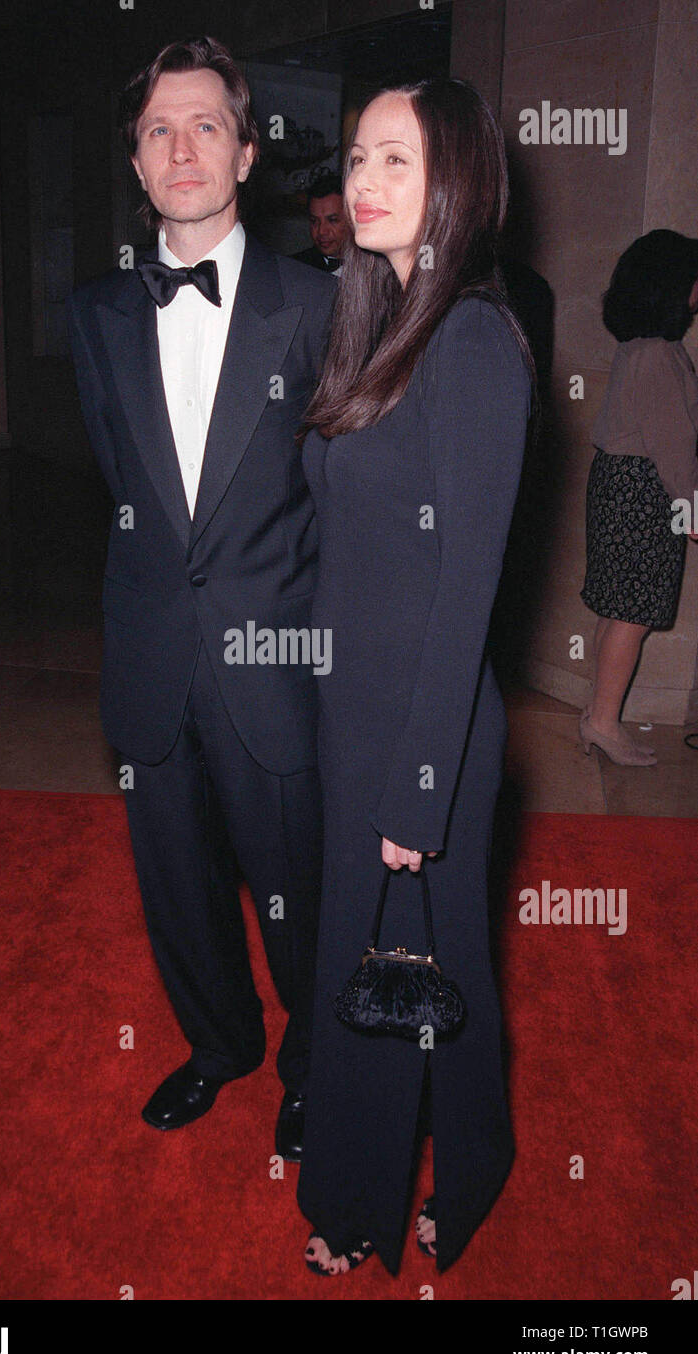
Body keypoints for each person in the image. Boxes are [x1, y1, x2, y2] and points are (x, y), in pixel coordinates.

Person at [66, 37, 336, 1159]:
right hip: (148, 656)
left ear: (247, 151)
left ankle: (316, 1065)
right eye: (158, 130)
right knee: (176, 889)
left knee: (300, 896)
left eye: (206, 125)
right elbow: (126, 492)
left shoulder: (320, 303)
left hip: (273, 660)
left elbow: (337, 503)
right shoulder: (95, 313)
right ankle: (220, 1044)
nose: (182, 147)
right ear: (134, 162)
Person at [296, 77, 535, 1276]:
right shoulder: (374, 326)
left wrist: (417, 790)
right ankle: (352, 1193)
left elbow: (467, 590)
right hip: (354, 721)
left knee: (435, 983)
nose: (365, 181)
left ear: (460, 181)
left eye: (398, 159)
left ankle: (464, 1174)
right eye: (357, 159)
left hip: (423, 736)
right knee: (362, 971)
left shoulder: (476, 339)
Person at [580, 230, 698, 765]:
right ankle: (604, 721)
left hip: (617, 483)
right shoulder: (661, 355)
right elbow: (673, 447)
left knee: (617, 610)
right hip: (643, 491)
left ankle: (595, 717)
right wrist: (691, 504)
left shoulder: (636, 348)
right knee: (632, 615)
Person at [293, 174, 348, 272]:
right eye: (314, 221)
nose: (321, 231)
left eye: (332, 220)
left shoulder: (378, 264)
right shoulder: (295, 267)